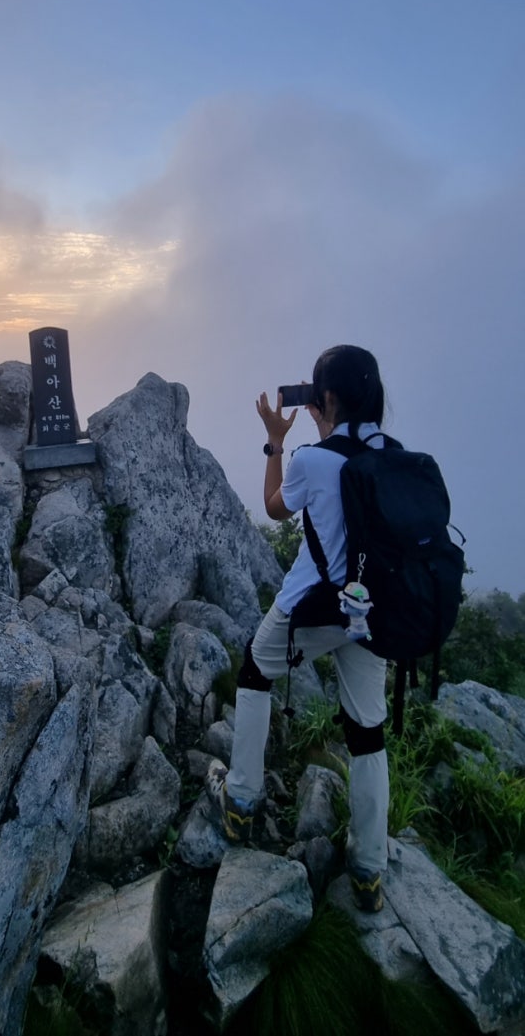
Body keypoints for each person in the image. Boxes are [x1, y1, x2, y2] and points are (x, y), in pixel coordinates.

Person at [206, 344, 389, 912]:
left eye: (316, 393)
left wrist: (277, 441)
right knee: (367, 730)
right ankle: (369, 869)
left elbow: (272, 507)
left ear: (325, 398)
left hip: (313, 609)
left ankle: (240, 800)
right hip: (370, 611)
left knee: (255, 670)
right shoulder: (393, 455)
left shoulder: (314, 459)